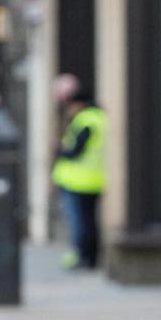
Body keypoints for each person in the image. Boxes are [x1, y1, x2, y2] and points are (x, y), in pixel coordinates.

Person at [51, 87, 106, 270]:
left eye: (71, 106)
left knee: (80, 223)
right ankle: (90, 257)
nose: (69, 110)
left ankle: (82, 256)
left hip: (78, 181)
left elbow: (76, 151)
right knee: (90, 221)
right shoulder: (101, 118)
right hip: (94, 180)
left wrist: (60, 151)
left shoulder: (85, 120)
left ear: (79, 104)